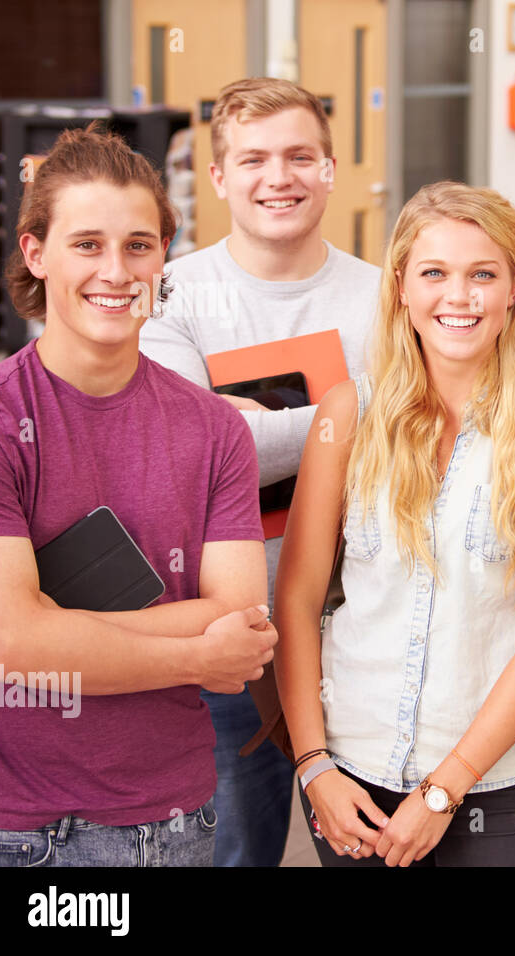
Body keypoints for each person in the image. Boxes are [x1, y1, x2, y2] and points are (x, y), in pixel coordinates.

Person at [273, 182, 515, 867]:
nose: (460, 296)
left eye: (483, 274)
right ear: (400, 287)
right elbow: (297, 601)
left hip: (504, 789)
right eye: (434, 273)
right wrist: (312, 766)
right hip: (350, 781)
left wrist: (443, 790)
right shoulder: (347, 415)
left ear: (514, 289)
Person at [0, 123, 275, 866]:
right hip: (24, 831)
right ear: (35, 253)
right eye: (87, 244)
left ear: (162, 258)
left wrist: (62, 630)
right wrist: (195, 653)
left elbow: (241, 624)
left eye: (139, 245)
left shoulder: (214, 430)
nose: (116, 270)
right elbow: (11, 646)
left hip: (180, 821)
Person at [139, 77, 380, 867]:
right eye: (254, 159)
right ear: (217, 179)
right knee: (232, 857)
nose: (278, 177)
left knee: (373, 851)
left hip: (361, 634)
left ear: (332, 168)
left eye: (299, 156)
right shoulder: (171, 297)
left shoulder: (384, 299)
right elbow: (193, 457)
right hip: (226, 640)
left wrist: (245, 425)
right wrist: (363, 407)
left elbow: (424, 440)